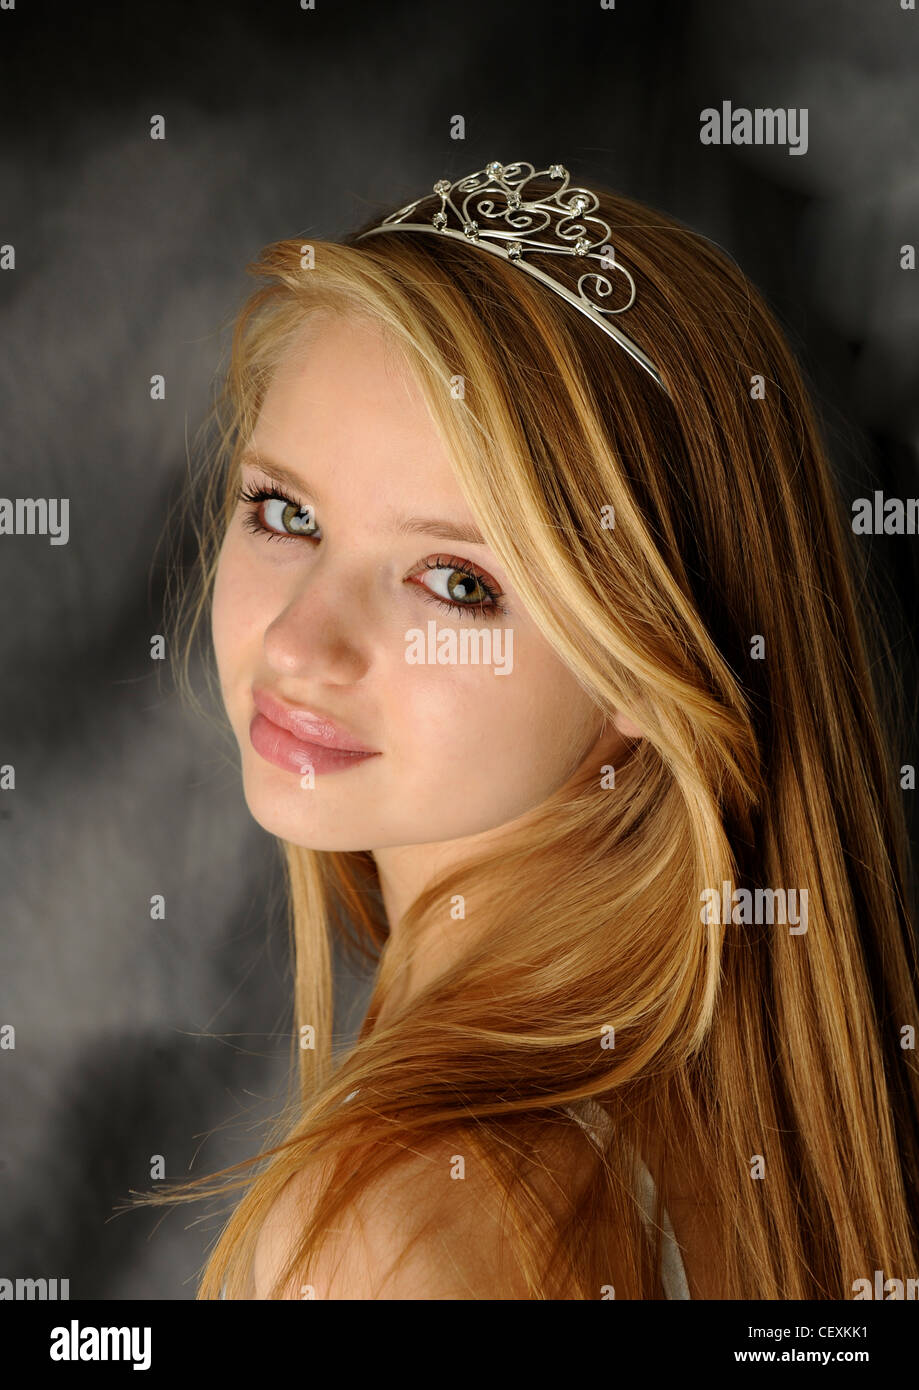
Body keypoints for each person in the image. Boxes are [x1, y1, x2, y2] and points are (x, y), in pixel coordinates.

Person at [143, 160, 919, 1299]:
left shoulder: (393, 1223)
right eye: (285, 513)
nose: (302, 643)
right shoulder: (791, 1138)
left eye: (454, 580)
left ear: (644, 665)